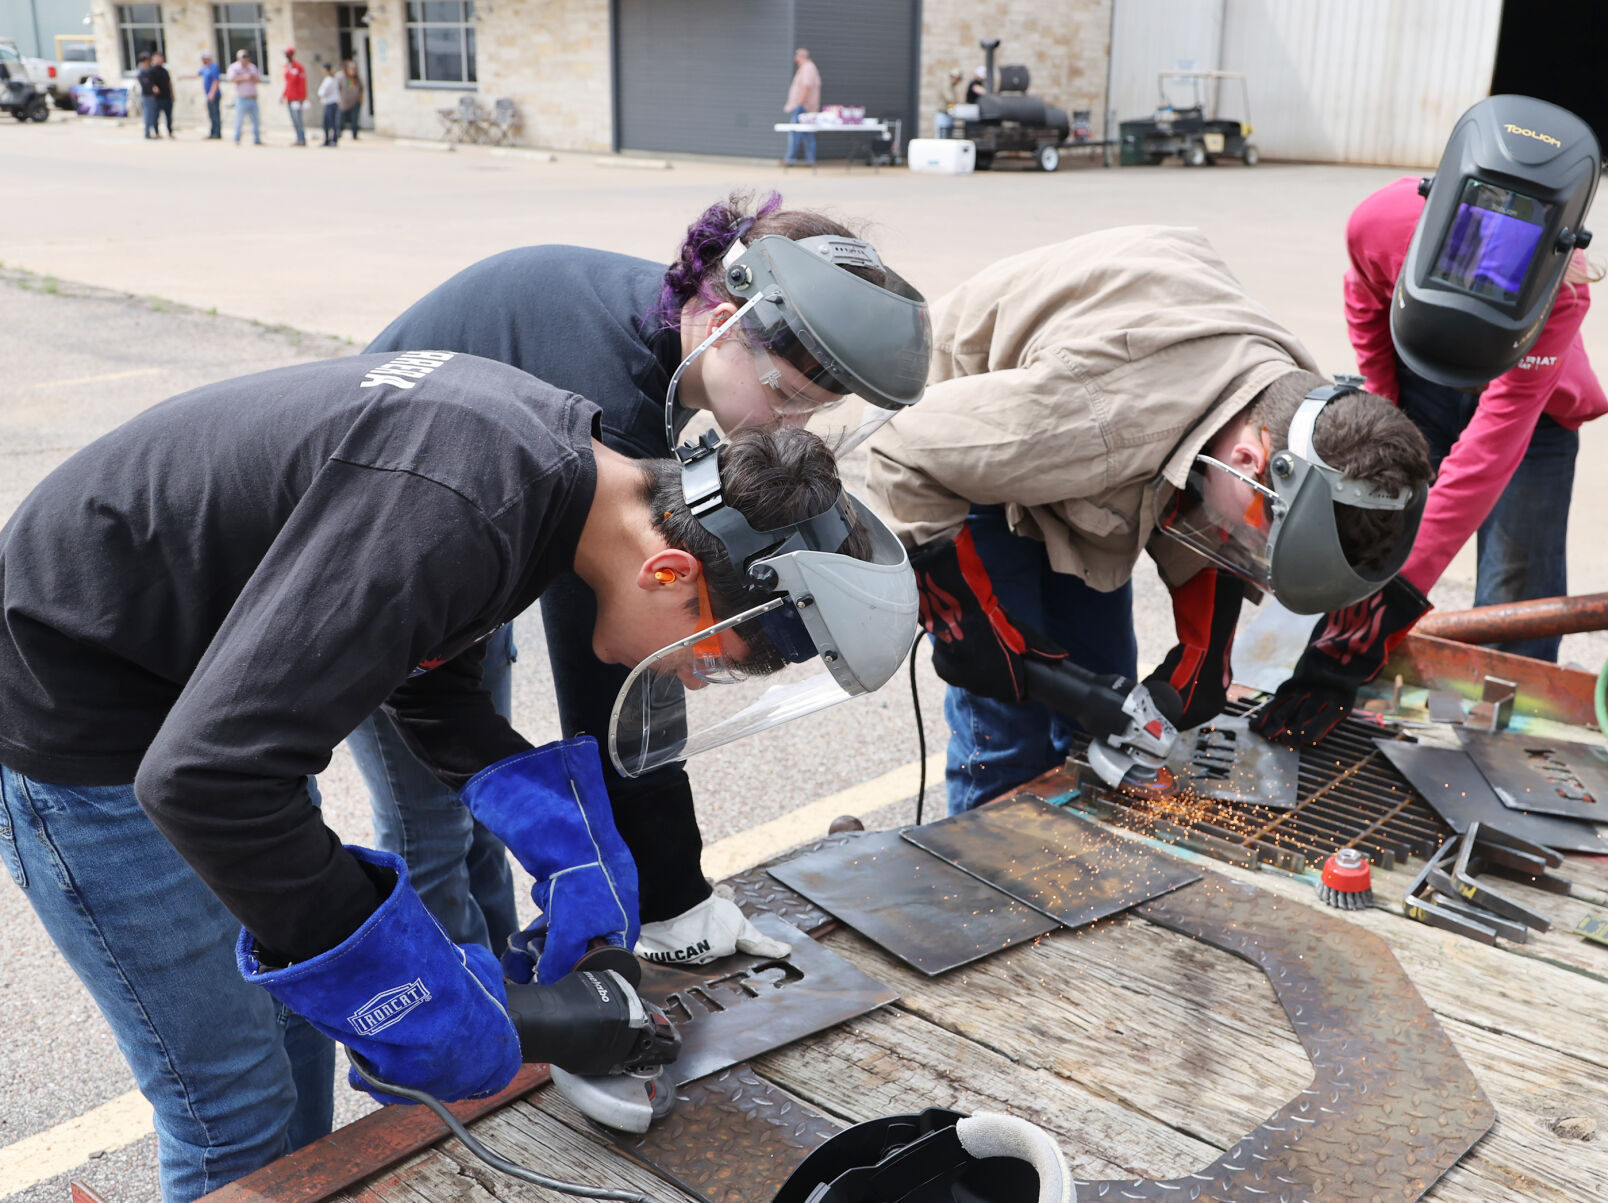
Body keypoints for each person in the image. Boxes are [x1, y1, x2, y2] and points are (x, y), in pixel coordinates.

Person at [0, 349, 883, 1201]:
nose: (691, 678)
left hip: (207, 695)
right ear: (669, 570)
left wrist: (560, 834)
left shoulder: (554, 479)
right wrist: (428, 991)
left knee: (294, 1038)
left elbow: (420, 673)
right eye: (712, 657)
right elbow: (208, 783)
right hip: (84, 697)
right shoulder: (464, 505)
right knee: (235, 1101)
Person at [356, 192, 929, 966]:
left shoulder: (662, 328)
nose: (789, 426)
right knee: (431, 826)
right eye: (787, 397)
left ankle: (497, 980)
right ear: (724, 320)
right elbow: (622, 681)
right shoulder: (607, 403)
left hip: (470, 550)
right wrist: (672, 898)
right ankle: (458, 1012)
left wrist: (663, 883)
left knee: (475, 812)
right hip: (377, 573)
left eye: (814, 411)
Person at [867, 226, 1433, 813]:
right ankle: (982, 848)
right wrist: (958, 615)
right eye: (1256, 542)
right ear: (1248, 462)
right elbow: (902, 446)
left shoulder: (1302, 408)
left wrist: (1203, 652)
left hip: (1078, 438)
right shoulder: (1105, 417)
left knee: (1105, 686)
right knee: (1010, 719)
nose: (1245, 547)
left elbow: (1206, 480)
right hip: (965, 454)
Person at [1252, 97, 1605, 747]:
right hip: (1420, 379)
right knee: (1371, 525)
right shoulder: (1382, 222)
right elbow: (1368, 309)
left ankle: (1505, 738)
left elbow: (1487, 454)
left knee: (1516, 583)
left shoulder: (1562, 288)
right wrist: (1381, 436)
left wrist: (1384, 608)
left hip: (1531, 415)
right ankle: (1362, 683)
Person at [782, 46, 821, 166]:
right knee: (807, 133)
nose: (795, 58)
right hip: (805, 107)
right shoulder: (807, 67)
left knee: (796, 133)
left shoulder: (808, 68)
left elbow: (806, 86)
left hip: (803, 107)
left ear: (801, 56)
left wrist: (800, 103)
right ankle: (809, 159)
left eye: (797, 56)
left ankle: (790, 159)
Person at [230, 47, 261, 145]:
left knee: (256, 120)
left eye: (246, 57)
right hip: (241, 98)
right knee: (239, 120)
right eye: (243, 57)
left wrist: (252, 77)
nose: (245, 59)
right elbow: (231, 78)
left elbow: (259, 79)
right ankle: (237, 138)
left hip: (252, 97)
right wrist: (244, 77)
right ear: (238, 58)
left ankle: (257, 139)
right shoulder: (234, 68)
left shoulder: (252, 67)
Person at [139, 52, 172, 139]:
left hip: (166, 96)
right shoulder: (147, 71)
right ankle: (152, 132)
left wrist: (172, 94)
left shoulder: (164, 70)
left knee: (167, 116)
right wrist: (153, 89)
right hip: (154, 97)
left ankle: (169, 132)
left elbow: (169, 83)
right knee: (152, 116)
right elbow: (148, 83)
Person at [279, 45, 307, 146]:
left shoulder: (298, 67)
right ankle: (298, 138)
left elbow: (302, 83)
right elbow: (288, 83)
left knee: (298, 119)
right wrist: (283, 95)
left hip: (297, 98)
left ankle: (302, 139)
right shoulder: (286, 67)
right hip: (289, 97)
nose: (287, 56)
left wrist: (302, 97)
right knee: (294, 120)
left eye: (288, 54)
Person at [338, 59, 364, 141]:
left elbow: (361, 89)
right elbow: (337, 89)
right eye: (351, 69)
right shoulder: (340, 77)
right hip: (343, 102)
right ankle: (339, 133)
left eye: (355, 69)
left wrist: (361, 99)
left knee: (354, 118)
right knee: (341, 118)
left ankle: (355, 134)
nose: (353, 70)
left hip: (355, 102)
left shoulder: (356, 78)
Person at [934, 68, 964, 138]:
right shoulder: (946, 85)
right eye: (958, 79)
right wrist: (960, 104)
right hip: (943, 114)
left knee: (948, 136)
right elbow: (950, 100)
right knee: (943, 136)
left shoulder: (952, 87)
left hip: (948, 114)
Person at [199, 50, 222, 139]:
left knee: (215, 114)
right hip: (208, 95)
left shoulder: (214, 68)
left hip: (214, 96)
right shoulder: (205, 68)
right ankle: (213, 132)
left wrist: (212, 93)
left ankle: (217, 133)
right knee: (211, 115)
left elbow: (216, 81)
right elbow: (197, 74)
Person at [317, 60, 340, 146]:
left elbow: (322, 92)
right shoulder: (330, 79)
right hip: (328, 103)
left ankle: (333, 140)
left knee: (331, 123)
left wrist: (321, 93)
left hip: (331, 103)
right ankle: (327, 139)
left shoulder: (330, 80)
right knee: (326, 123)